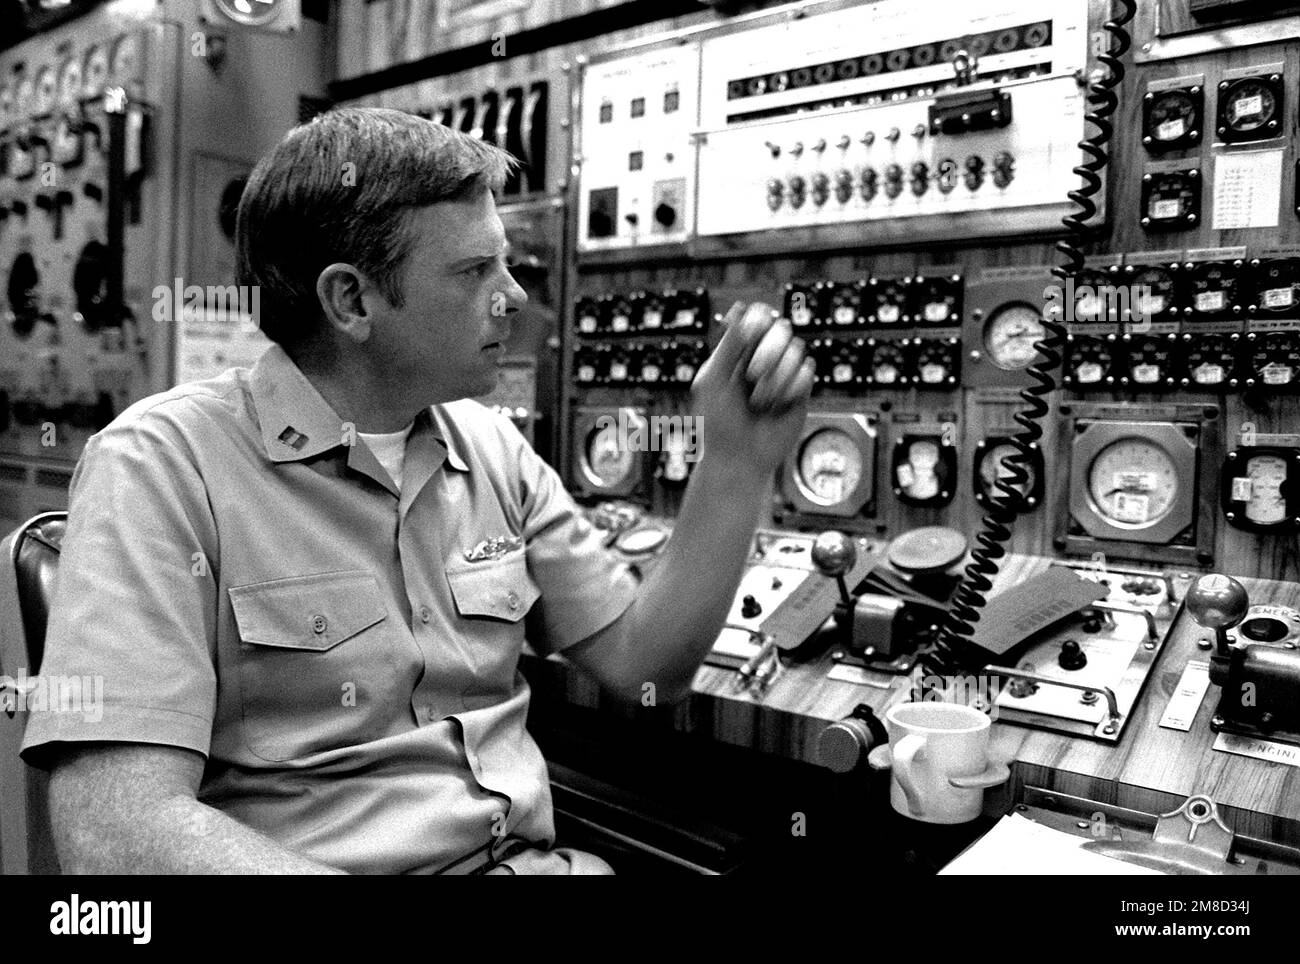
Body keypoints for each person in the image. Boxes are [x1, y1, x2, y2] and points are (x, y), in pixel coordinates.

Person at [21, 108, 814, 874]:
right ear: (351, 300)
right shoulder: (161, 466)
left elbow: (647, 665)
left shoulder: (492, 449)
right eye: (474, 271)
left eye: (504, 263)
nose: (514, 298)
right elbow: (118, 831)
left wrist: (736, 464)